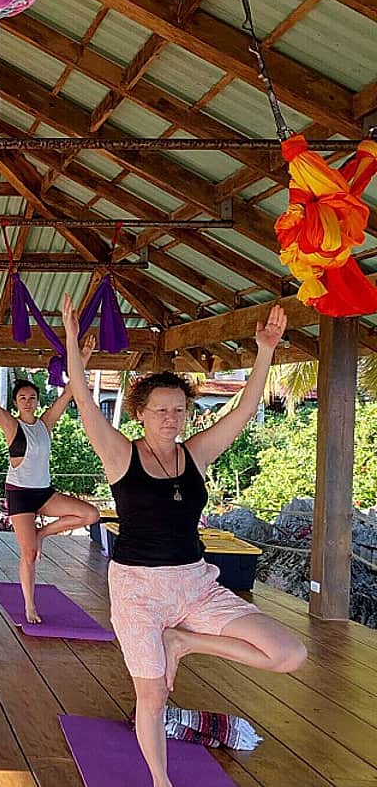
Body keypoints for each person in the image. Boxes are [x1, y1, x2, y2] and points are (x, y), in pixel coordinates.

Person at [60, 294, 306, 787]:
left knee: (289, 653)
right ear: (141, 414)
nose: (170, 418)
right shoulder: (121, 455)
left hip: (196, 584)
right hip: (138, 590)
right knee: (152, 698)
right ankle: (161, 781)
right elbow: (84, 402)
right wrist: (70, 339)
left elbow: (246, 410)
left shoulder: (195, 454)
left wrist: (265, 350)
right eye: (160, 411)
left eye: (178, 410)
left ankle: (185, 641)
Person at [0, 337, 99, 623]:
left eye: (32, 397)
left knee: (90, 515)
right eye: (22, 398)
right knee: (28, 553)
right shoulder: (12, 425)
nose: (28, 402)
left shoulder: (45, 423)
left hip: (44, 493)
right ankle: (30, 606)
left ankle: (43, 533)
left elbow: (70, 391)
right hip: (20, 494)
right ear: (16, 403)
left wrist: (84, 357)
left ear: (37, 401)